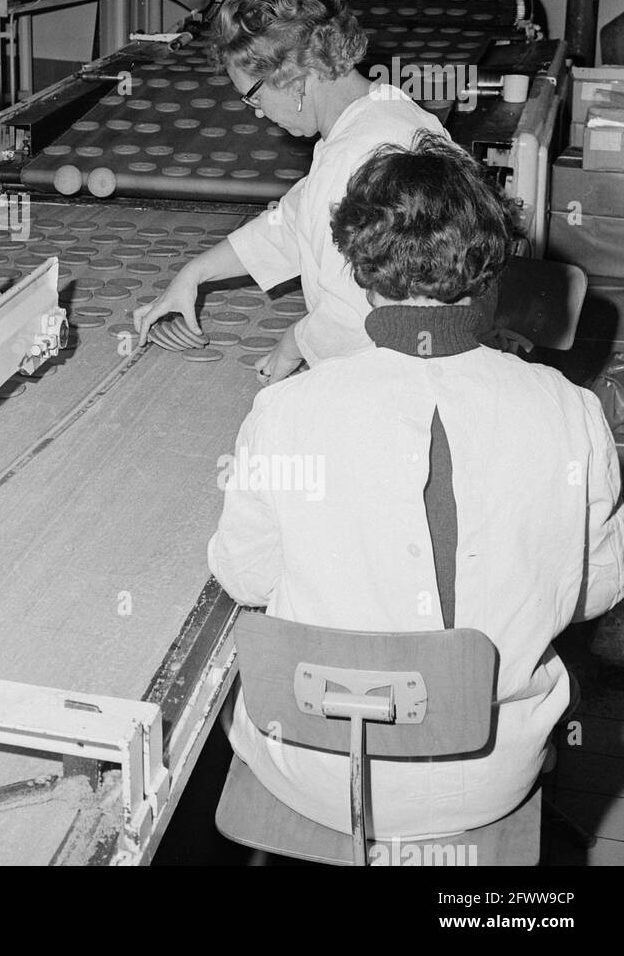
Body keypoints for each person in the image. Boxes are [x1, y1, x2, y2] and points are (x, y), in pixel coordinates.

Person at [208, 132, 624, 841]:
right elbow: (594, 591)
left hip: (313, 771)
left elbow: (244, 577)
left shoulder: (286, 410)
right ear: (490, 266)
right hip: (488, 775)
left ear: (357, 267)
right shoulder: (569, 410)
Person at [135, 0, 446, 381]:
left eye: (254, 96)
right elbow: (296, 222)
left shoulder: (359, 155)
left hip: (394, 378)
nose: (258, 113)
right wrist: (193, 274)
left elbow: (361, 313)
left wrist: (292, 346)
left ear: (295, 79)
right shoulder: (384, 110)